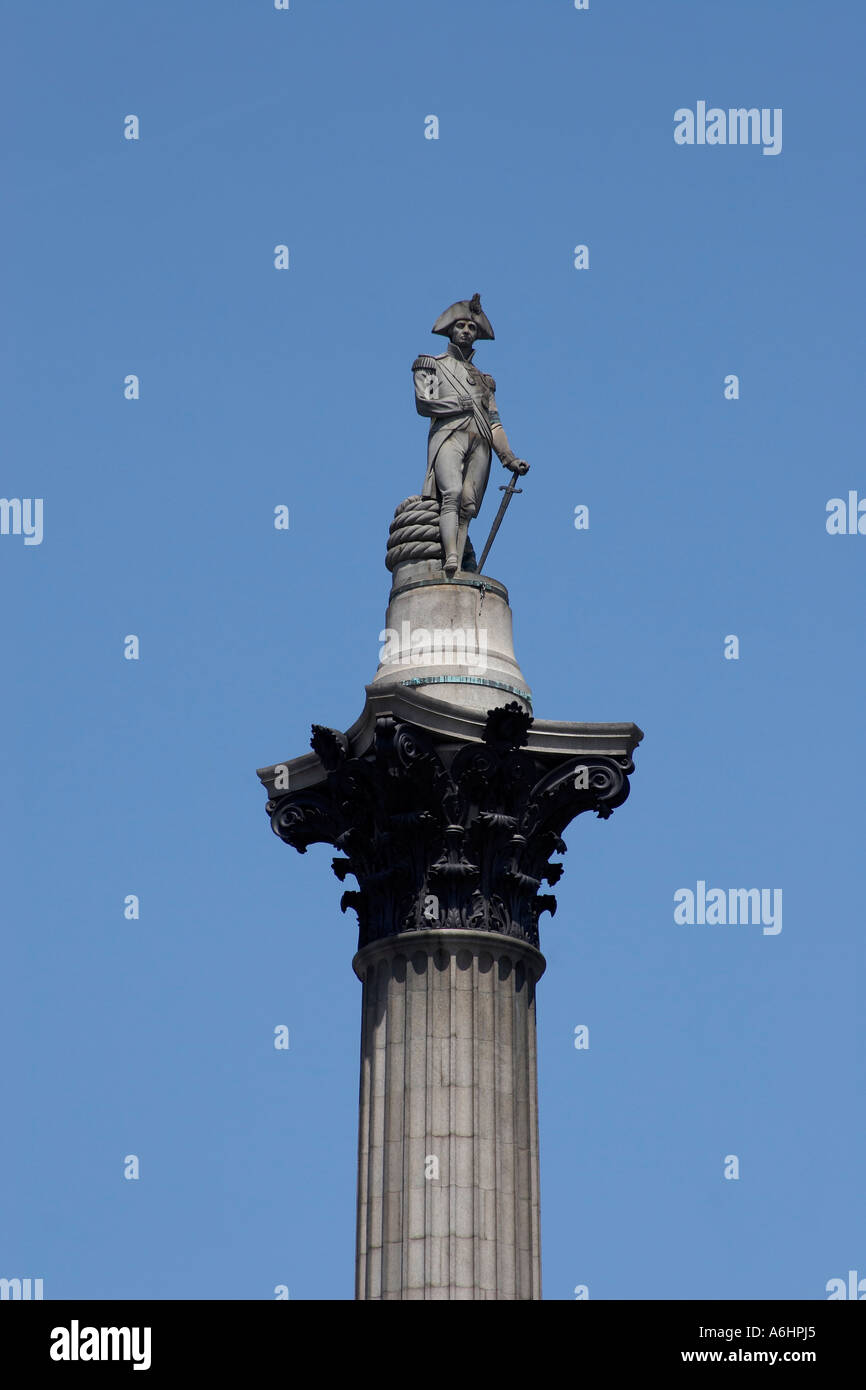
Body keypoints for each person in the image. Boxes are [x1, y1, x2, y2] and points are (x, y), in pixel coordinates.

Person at [413, 294, 529, 576]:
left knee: (468, 505)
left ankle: (461, 563)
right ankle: (451, 557)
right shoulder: (431, 364)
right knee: (450, 493)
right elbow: (424, 403)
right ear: (450, 329)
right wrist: (457, 405)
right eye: (461, 325)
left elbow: (495, 424)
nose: (465, 331)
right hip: (449, 435)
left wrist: (509, 458)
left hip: (481, 443)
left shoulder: (485, 381)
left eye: (471, 327)